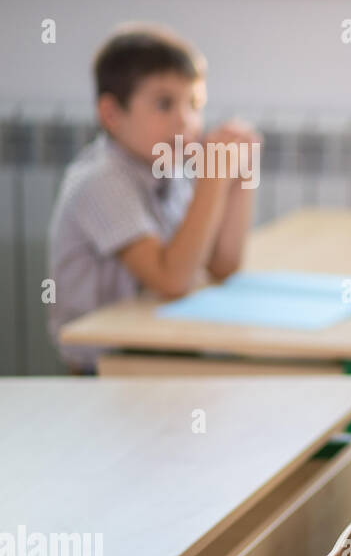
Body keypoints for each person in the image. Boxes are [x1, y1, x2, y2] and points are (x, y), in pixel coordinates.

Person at [47, 23, 259, 372]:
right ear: (111, 114)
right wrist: (212, 179)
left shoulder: (169, 170)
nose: (186, 122)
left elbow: (223, 265)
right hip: (103, 370)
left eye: (194, 104)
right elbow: (171, 279)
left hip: (160, 348)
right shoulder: (101, 179)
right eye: (165, 105)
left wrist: (239, 179)